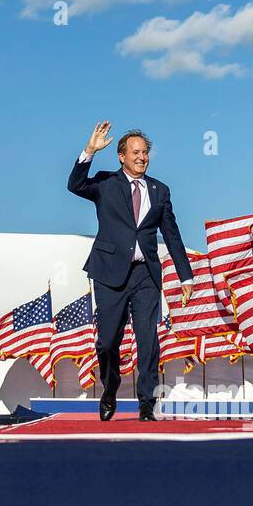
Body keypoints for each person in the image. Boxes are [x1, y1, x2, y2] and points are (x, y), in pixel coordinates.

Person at [67, 123, 192, 422]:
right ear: (121, 156)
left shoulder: (160, 191)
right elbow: (75, 185)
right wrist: (89, 152)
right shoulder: (105, 183)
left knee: (148, 339)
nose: (141, 157)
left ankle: (147, 402)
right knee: (108, 340)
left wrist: (186, 275)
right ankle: (110, 386)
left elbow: (172, 234)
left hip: (145, 275)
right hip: (109, 273)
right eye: (135, 152)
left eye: (145, 152)